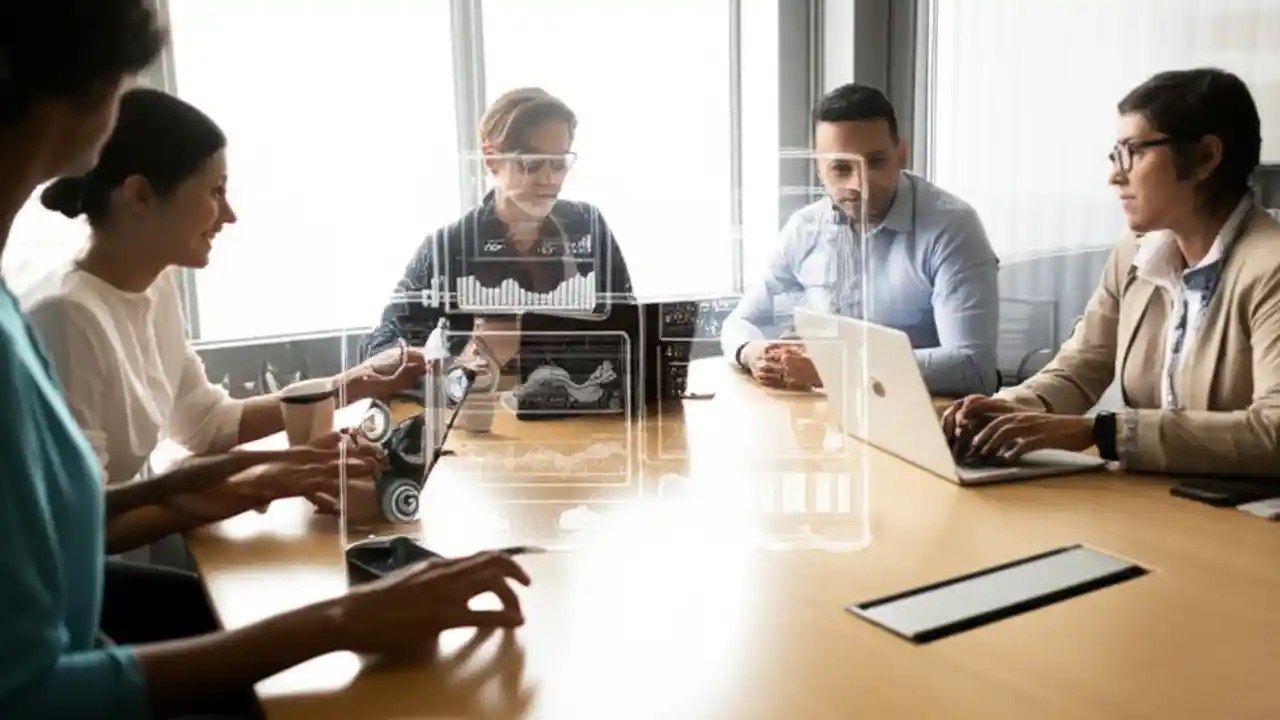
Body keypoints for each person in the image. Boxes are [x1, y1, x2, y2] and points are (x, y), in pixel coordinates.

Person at [0, 4, 531, 719]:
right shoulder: (55, 315)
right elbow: (29, 690)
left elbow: (185, 434)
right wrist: (340, 621)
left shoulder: (84, 295)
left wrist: (238, 475)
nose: (230, 212)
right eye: (215, 191)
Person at [25, 87, 425, 494]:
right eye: (216, 192)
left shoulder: (156, 286)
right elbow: (82, 522)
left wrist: (354, 384)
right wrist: (259, 483)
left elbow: (206, 424)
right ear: (140, 196)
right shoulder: (66, 316)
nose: (229, 216)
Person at [942, 68, 1280, 477]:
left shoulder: (1270, 267)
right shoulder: (1136, 253)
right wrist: (1009, 408)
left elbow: (1273, 432)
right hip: (1158, 500)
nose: (1115, 175)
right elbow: (1080, 367)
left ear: (1207, 156)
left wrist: (1104, 433)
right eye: (1115, 155)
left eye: (1132, 152)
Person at [721, 83, 999, 397]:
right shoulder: (804, 228)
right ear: (818, 169)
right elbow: (740, 322)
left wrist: (832, 369)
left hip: (927, 425)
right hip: (829, 424)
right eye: (841, 168)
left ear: (901, 155)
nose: (860, 184)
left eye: (876, 162)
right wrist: (753, 351)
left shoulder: (952, 228)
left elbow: (974, 368)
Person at [362, 87, 634, 373]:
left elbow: (631, 325)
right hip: (488, 411)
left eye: (559, 163)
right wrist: (455, 366)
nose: (548, 179)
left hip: (586, 405)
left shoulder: (588, 225)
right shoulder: (448, 248)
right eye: (531, 163)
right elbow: (380, 344)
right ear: (492, 159)